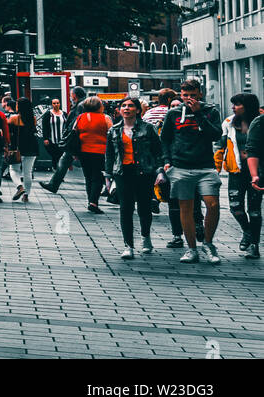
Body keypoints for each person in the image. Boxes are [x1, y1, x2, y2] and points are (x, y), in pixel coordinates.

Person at [160, 79, 223, 264]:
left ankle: (208, 243)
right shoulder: (173, 114)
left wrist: (198, 115)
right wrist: (166, 162)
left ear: (200, 94)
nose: (189, 99)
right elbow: (165, 139)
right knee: (185, 208)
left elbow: (215, 134)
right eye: (185, 95)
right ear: (180, 94)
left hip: (205, 166)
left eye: (193, 95)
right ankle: (192, 248)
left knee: (212, 205)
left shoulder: (210, 111)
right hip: (180, 166)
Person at [105, 95, 161, 258]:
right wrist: (108, 175)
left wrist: (160, 170)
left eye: (130, 106)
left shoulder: (148, 128)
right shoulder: (114, 130)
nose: (127, 108)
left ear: (137, 110)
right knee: (125, 209)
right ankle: (128, 245)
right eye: (124, 106)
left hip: (144, 172)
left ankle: (145, 237)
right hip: (123, 173)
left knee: (144, 207)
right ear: (120, 110)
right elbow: (109, 154)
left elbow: (157, 150)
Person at [218, 93, 261, 255]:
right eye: (233, 104)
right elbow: (220, 146)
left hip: (258, 172)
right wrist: (216, 169)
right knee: (235, 207)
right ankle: (247, 231)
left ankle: (254, 245)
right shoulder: (229, 122)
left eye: (237, 104)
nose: (233, 107)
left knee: (255, 210)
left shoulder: (260, 122)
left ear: (248, 106)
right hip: (236, 171)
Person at [39, 87, 88, 194]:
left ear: (74, 95)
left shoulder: (80, 106)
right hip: (78, 140)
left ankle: (103, 188)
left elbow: (75, 124)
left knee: (72, 163)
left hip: (76, 141)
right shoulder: (84, 104)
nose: (70, 97)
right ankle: (53, 185)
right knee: (65, 162)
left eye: (71, 95)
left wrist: (71, 141)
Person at [71, 96, 110, 213]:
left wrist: (74, 152)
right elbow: (112, 134)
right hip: (100, 152)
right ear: (98, 106)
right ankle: (93, 202)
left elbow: (74, 134)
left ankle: (90, 200)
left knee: (88, 177)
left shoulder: (80, 117)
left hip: (83, 151)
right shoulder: (106, 118)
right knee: (98, 177)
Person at [8, 96, 39, 202]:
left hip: (18, 147)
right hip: (31, 147)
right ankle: (26, 195)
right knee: (28, 172)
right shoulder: (33, 119)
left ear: (19, 107)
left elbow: (7, 133)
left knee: (13, 169)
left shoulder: (14, 118)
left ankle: (19, 187)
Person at [244, 109, 264, 259]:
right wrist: (254, 175)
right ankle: (253, 243)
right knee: (254, 209)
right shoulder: (260, 122)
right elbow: (253, 150)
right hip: (261, 173)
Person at [41, 98, 67, 170]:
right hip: (52, 140)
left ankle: (59, 172)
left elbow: (67, 126)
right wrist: (45, 138)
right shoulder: (48, 114)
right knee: (55, 156)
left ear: (60, 104)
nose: (56, 105)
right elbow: (45, 126)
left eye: (57, 103)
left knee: (61, 156)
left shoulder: (64, 114)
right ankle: (56, 170)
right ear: (51, 104)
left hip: (62, 140)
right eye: (54, 103)